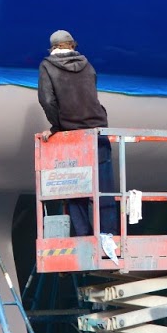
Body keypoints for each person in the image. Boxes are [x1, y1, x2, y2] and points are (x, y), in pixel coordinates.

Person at [37, 30, 119, 252]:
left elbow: (47, 100)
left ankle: (83, 235)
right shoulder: (87, 64)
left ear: (52, 47)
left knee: (74, 187)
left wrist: (57, 126)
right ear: (72, 45)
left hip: (71, 134)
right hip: (97, 130)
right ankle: (107, 235)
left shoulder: (48, 66)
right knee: (103, 187)